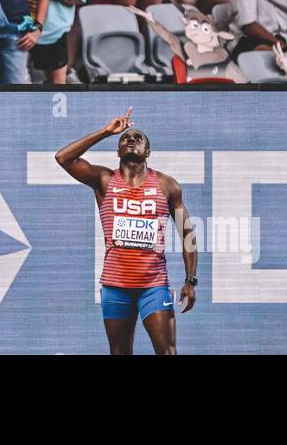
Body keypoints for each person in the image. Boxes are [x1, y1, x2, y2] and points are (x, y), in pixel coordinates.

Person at [55, 108, 197, 354]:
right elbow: (63, 158)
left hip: (154, 284)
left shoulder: (166, 185)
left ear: (148, 152)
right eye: (125, 138)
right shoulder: (105, 180)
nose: (131, 140)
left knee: (168, 352)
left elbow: (188, 233)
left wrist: (190, 280)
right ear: (118, 150)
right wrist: (105, 131)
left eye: (138, 138)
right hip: (115, 284)